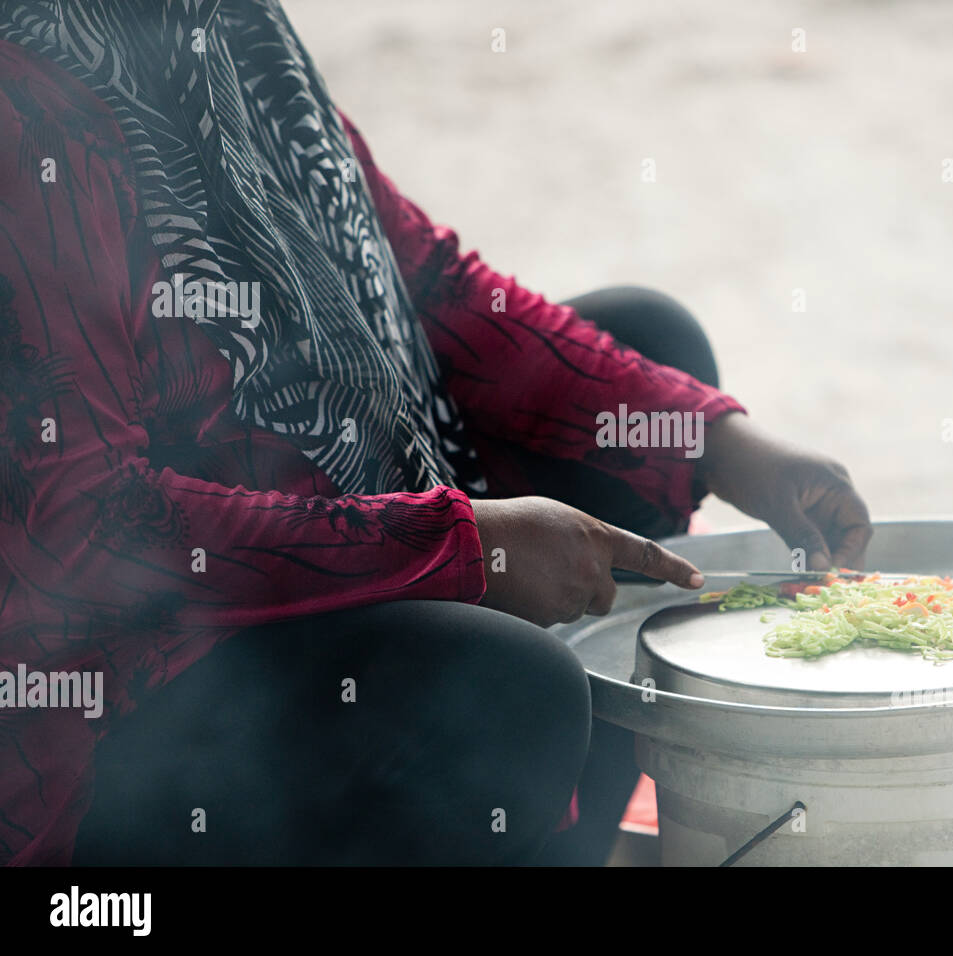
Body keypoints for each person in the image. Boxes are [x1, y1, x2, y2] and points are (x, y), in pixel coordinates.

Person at [0, 0, 871, 866]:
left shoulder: (220, 29)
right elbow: (87, 527)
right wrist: (459, 548)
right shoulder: (29, 105)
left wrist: (706, 438)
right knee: (502, 687)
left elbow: (427, 283)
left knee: (650, 347)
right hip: (114, 716)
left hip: (299, 540)